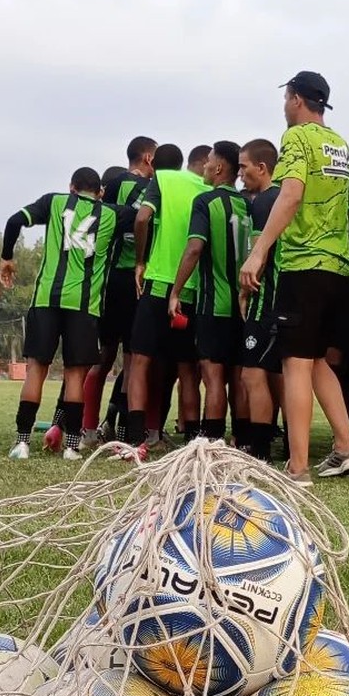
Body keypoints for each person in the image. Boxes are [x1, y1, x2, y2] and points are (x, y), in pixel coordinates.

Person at [239, 71, 349, 485]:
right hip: (339, 268)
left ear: (296, 100)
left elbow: (290, 194)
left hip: (304, 263)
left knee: (294, 364)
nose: (284, 106)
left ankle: (297, 467)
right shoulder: (341, 146)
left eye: (286, 98)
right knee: (313, 363)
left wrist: (258, 252)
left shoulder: (296, 139)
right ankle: (346, 447)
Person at [0, 167, 135, 459]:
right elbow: (144, 218)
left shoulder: (54, 202)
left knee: (36, 369)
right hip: (84, 306)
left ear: (71, 187)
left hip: (47, 299)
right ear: (99, 192)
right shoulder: (114, 214)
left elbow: (14, 221)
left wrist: (8, 257)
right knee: (75, 375)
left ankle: (22, 443)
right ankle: (72, 446)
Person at [68, 137, 157, 450]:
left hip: (109, 280)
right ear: (148, 157)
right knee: (131, 361)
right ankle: (132, 435)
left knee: (103, 357)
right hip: (137, 279)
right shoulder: (152, 187)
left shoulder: (114, 184)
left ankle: (88, 429)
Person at [122, 143, 205, 459]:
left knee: (140, 360)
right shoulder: (201, 184)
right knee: (187, 369)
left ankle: (135, 440)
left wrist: (140, 260)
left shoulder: (162, 180)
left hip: (158, 284)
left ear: (153, 164)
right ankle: (192, 444)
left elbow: (142, 219)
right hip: (192, 287)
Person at [169, 141, 250, 441]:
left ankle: (212, 443)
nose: (204, 166)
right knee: (238, 379)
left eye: (208, 162)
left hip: (213, 305)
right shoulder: (248, 204)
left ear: (218, 168)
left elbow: (194, 248)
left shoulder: (205, 202)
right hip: (244, 306)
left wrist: (175, 292)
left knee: (213, 378)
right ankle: (245, 444)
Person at [237, 138, 283, 461]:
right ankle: (291, 447)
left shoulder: (264, 201)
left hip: (265, 298)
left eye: (244, 166)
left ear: (262, 168)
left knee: (251, 374)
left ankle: (260, 453)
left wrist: (244, 292)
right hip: (288, 297)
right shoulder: (289, 196)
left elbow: (259, 256)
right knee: (280, 374)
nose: (241, 175)